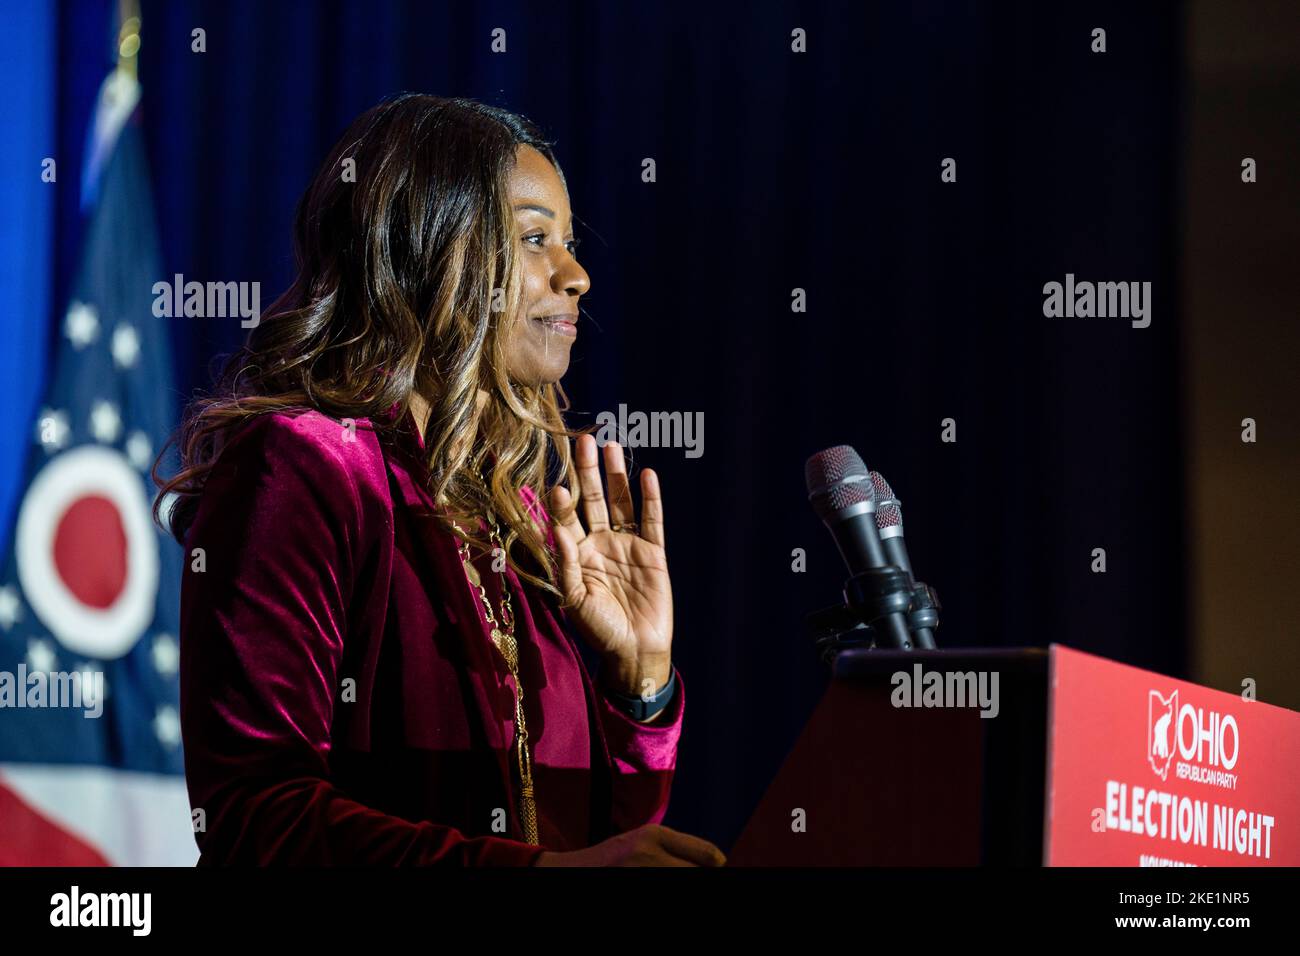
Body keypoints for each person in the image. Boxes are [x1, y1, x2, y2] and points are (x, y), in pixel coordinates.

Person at [157, 94, 725, 867]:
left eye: (568, 241)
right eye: (535, 239)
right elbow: (257, 818)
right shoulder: (304, 465)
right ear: (428, 247)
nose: (578, 275)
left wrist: (640, 685)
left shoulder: (515, 513)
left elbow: (591, 841)